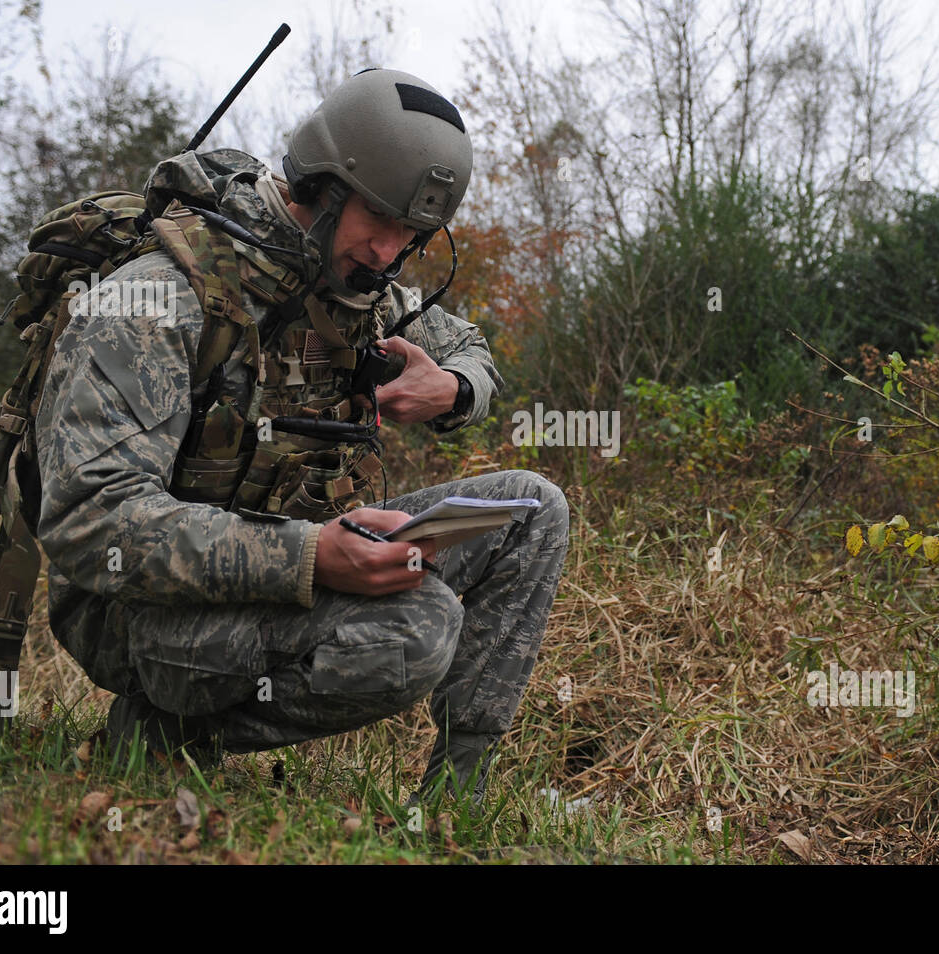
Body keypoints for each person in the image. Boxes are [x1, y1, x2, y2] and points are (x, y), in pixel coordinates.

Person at [34, 68, 569, 805]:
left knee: (532, 509)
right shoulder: (158, 299)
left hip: (290, 567)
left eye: (410, 235)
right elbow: (91, 522)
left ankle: (458, 797)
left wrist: (454, 387)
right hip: (135, 612)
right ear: (321, 188)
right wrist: (311, 556)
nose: (389, 253)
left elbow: (468, 346)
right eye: (378, 224)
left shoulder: (359, 288)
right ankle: (161, 732)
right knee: (418, 628)